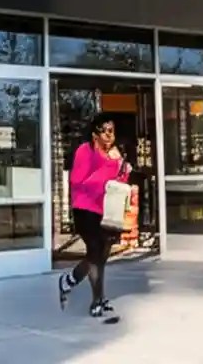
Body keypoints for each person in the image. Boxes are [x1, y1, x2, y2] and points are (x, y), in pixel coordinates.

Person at [58, 113, 131, 319]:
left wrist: (123, 169)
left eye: (112, 131)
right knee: (95, 251)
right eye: (105, 131)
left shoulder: (114, 155)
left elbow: (116, 185)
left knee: (102, 254)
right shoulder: (85, 151)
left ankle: (69, 281)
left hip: (105, 211)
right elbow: (83, 183)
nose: (110, 136)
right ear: (95, 134)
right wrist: (111, 165)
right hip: (84, 209)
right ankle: (97, 300)